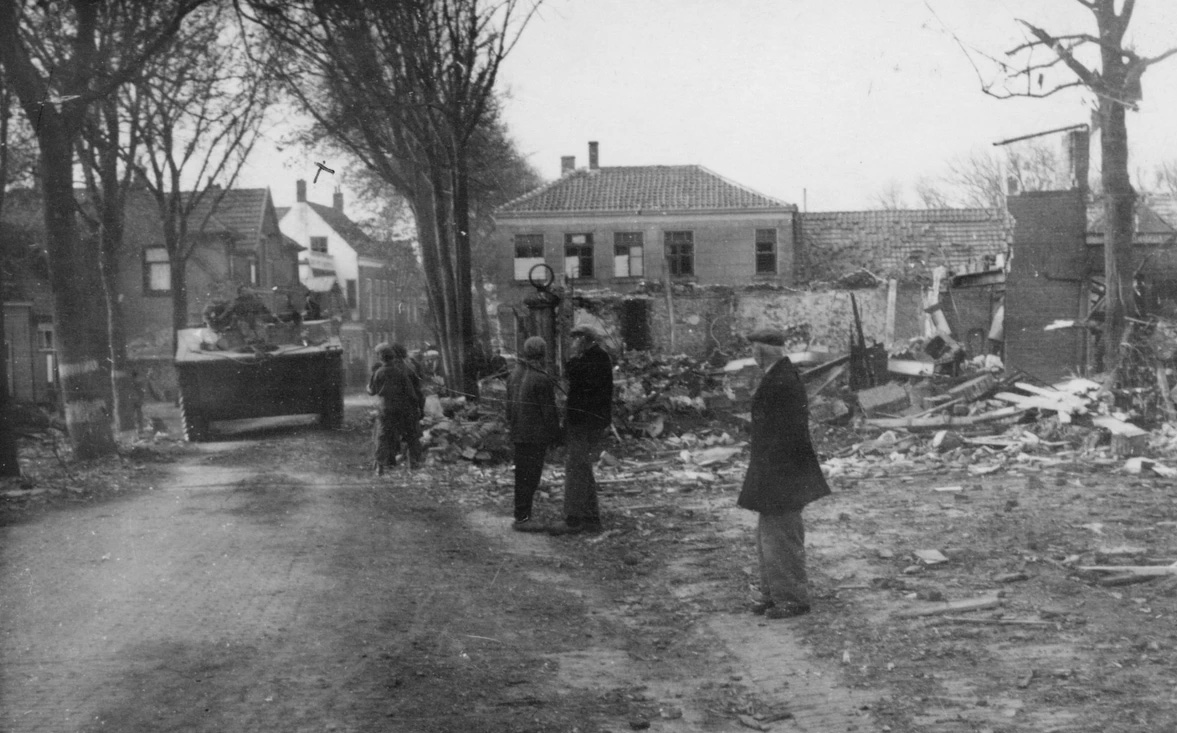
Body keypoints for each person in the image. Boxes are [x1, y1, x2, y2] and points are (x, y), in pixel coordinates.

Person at [738, 328, 831, 619]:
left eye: (754, 347)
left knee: (782, 537)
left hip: (782, 473)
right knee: (768, 536)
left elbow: (787, 433)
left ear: (764, 350)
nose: (752, 353)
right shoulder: (779, 376)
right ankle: (773, 595)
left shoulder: (782, 380)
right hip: (775, 470)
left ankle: (792, 599)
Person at [550, 325, 613, 535]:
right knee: (582, 468)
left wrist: (572, 358)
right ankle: (590, 518)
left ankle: (574, 519)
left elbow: (575, 374)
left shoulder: (593, 360)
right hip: (588, 422)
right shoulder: (596, 358)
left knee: (576, 468)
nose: (573, 343)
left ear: (586, 340)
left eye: (575, 339)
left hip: (583, 423)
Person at [505, 337, 561, 532]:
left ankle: (521, 515)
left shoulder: (513, 375)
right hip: (535, 436)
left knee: (521, 476)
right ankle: (523, 518)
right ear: (542, 354)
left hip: (518, 434)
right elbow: (549, 412)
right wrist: (556, 436)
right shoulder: (541, 378)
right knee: (531, 476)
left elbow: (508, 408)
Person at [367, 342, 424, 475]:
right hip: (403, 408)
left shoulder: (378, 372)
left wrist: (368, 389)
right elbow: (411, 392)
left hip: (385, 409)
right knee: (411, 436)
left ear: (381, 358)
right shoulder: (403, 370)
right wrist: (418, 406)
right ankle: (413, 465)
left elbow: (372, 390)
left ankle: (380, 466)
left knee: (383, 437)